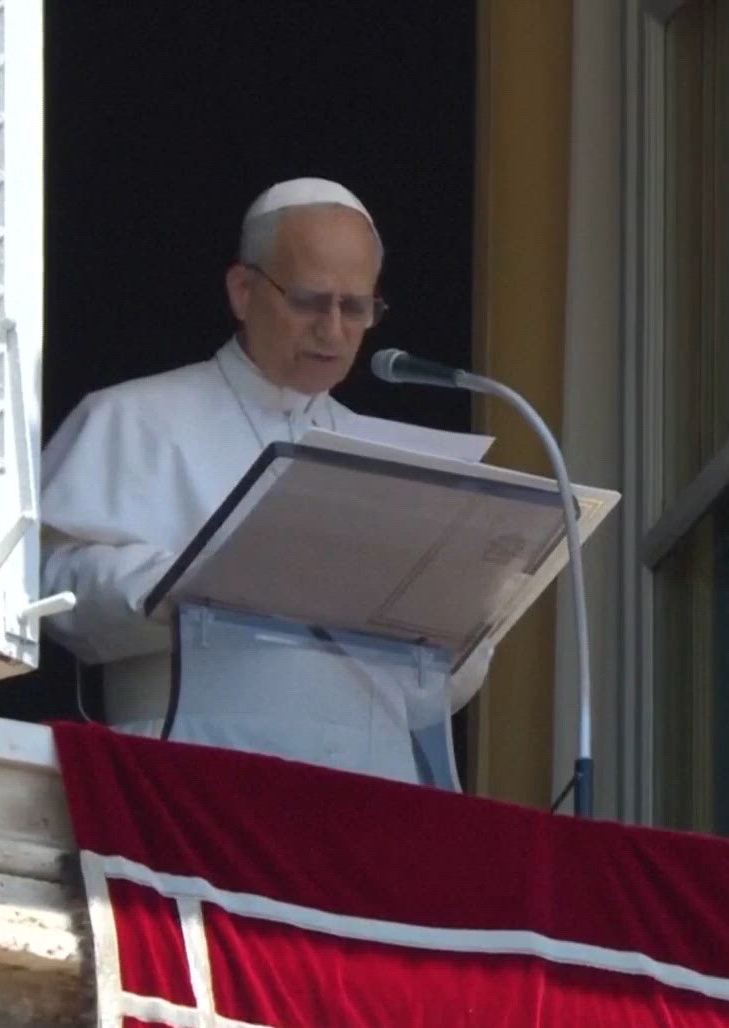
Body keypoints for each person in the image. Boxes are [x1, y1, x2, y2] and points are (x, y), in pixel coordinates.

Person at [39, 178, 491, 782]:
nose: (333, 332)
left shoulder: (396, 460)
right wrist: (195, 584)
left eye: (356, 307)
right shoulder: (132, 417)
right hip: (188, 775)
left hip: (373, 785)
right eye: (309, 300)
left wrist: (458, 626)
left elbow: (445, 683)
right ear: (243, 290)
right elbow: (51, 584)